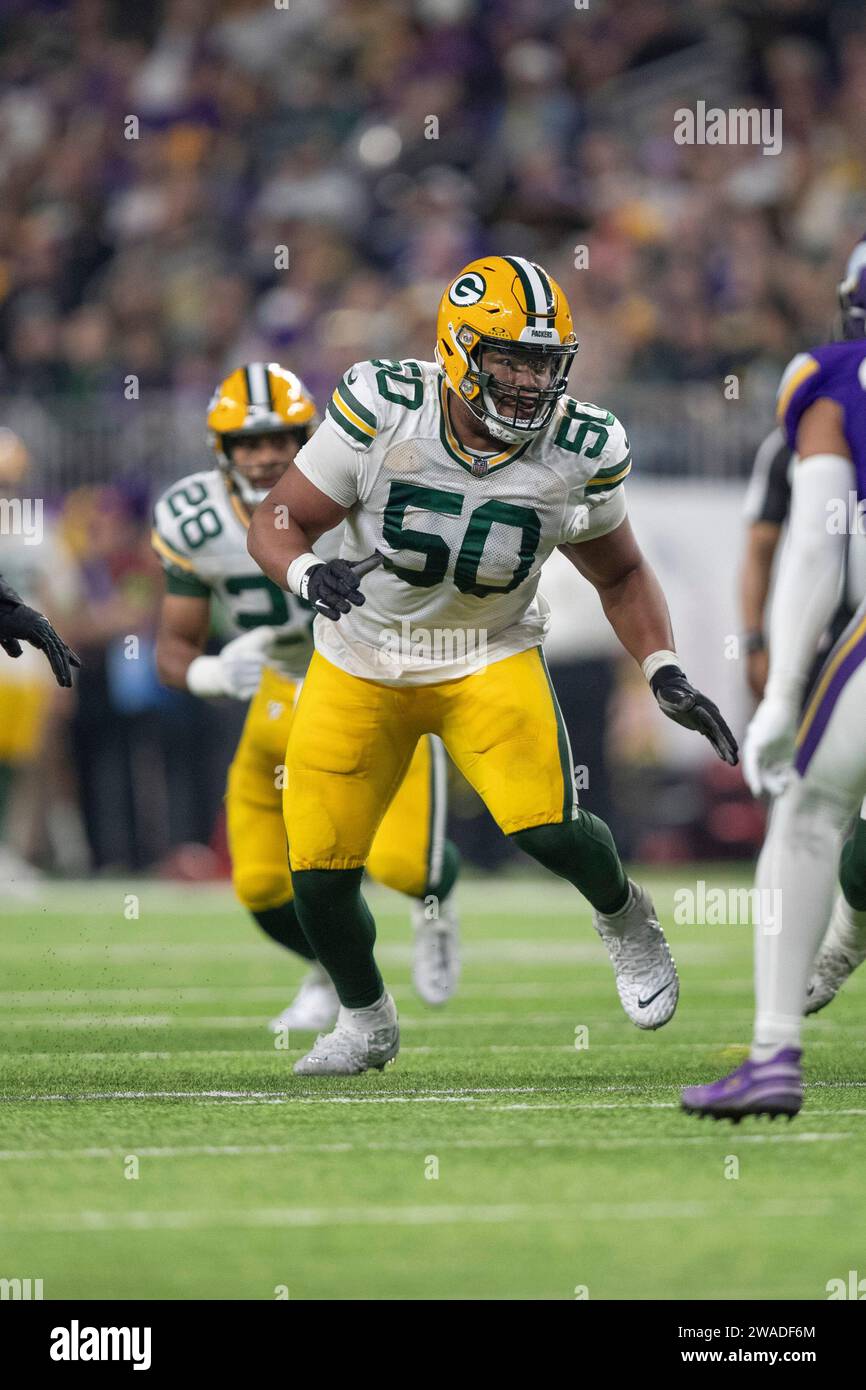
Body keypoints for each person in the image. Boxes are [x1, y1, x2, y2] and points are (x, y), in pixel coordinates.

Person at [248, 255, 738, 1076]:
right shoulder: (385, 408)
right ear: (457, 349)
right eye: (509, 358)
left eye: (543, 363)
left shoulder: (582, 446)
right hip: (363, 656)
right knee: (320, 876)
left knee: (548, 827)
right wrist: (305, 572)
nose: (526, 381)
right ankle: (367, 1020)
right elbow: (279, 517)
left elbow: (618, 572)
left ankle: (624, 916)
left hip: (485, 653)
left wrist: (661, 667)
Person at [153, 363, 461, 1032]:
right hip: (280, 690)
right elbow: (172, 647)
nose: (265, 456)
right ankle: (328, 969)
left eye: (281, 439)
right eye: (248, 443)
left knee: (406, 866)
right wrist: (208, 674)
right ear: (222, 450)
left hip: (371, 680)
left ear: (308, 437)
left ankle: (435, 905)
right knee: (261, 883)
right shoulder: (195, 518)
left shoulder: (355, 489)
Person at [682, 238, 866, 1121]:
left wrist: (785, 692)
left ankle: (773, 1054)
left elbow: (818, 539)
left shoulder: (832, 378)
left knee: (809, 811)